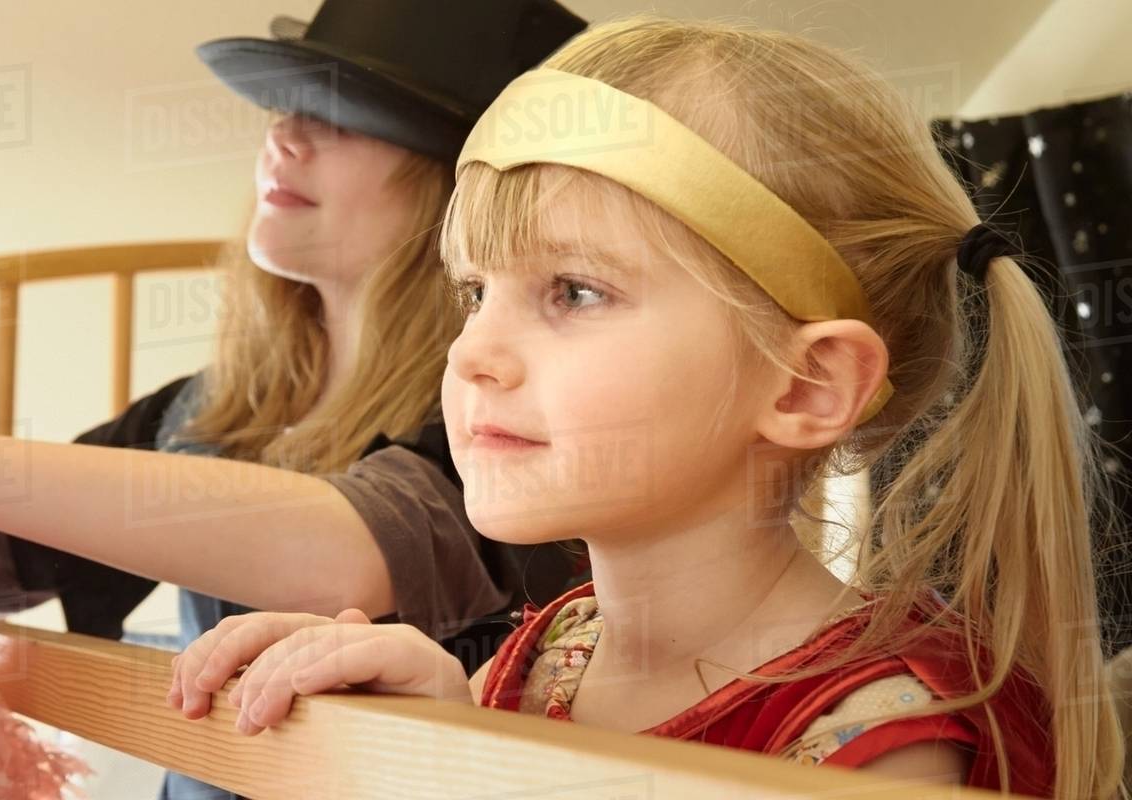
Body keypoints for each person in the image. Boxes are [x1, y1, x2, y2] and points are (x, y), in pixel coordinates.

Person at [167, 15, 1127, 799]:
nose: (472, 357)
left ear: (804, 385)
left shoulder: (882, 745)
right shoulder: (547, 653)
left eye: (574, 292)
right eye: (474, 293)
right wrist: (436, 738)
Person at [0, 2, 588, 798]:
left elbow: (348, 551)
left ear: (463, 190)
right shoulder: (206, 410)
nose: (286, 136)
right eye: (286, 108)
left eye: (337, 115)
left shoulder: (498, 414)